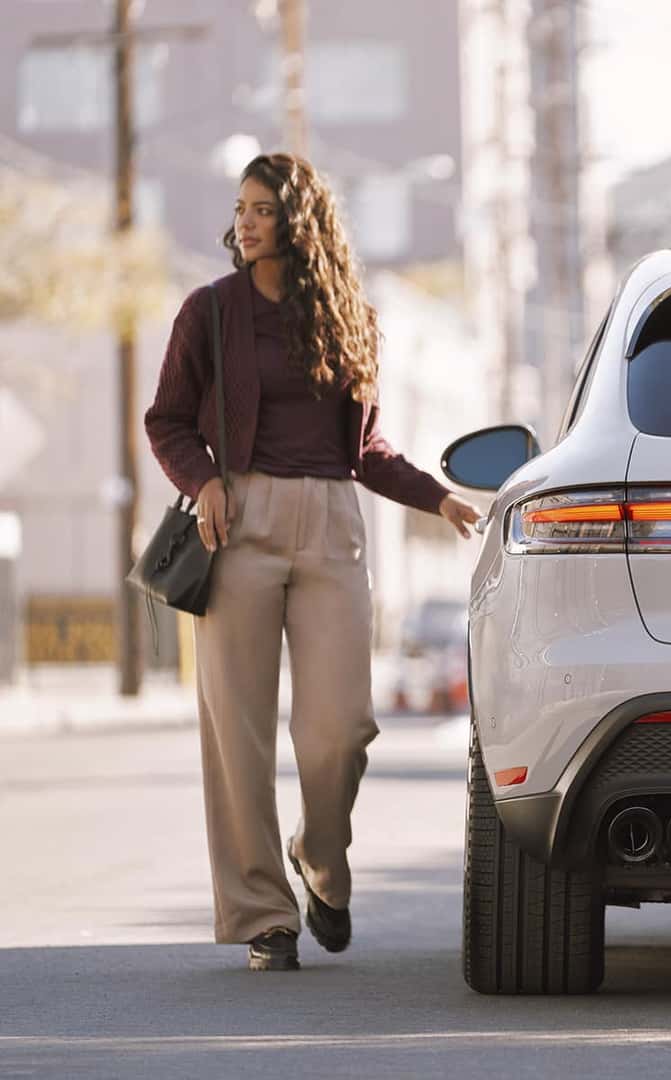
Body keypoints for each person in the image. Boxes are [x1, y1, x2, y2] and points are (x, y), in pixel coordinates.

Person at [145, 152, 482, 972]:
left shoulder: (350, 317)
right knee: (242, 739)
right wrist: (204, 480)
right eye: (242, 207)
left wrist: (437, 497)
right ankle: (266, 917)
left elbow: (364, 449)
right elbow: (168, 420)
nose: (247, 221)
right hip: (241, 525)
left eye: (263, 208)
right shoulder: (211, 312)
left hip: (333, 523)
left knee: (341, 730)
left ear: (301, 221)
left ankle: (320, 857)